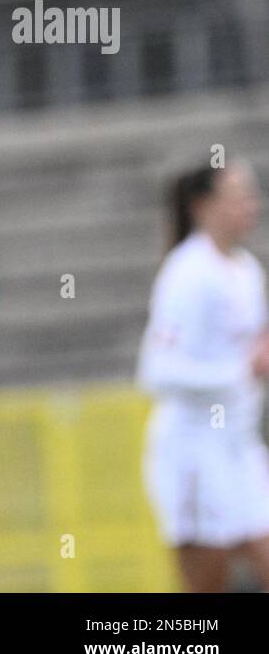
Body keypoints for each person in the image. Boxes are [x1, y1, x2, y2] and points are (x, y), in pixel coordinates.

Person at [136, 159, 269, 591]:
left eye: (253, 194)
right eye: (239, 195)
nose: (252, 205)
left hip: (241, 447)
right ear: (203, 206)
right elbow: (157, 372)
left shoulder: (248, 270)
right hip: (193, 453)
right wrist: (241, 371)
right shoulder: (187, 272)